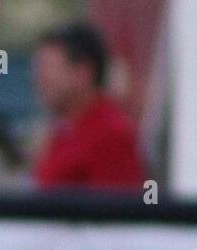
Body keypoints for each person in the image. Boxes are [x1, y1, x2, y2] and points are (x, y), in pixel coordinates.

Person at [31, 21, 144, 191]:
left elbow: (119, 211)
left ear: (83, 72)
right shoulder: (66, 131)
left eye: (50, 68)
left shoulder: (111, 135)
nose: (40, 79)